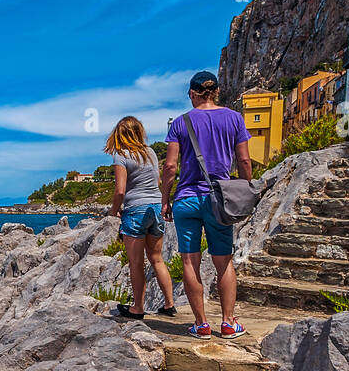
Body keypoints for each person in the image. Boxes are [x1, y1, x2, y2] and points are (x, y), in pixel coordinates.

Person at [161, 70, 252, 339]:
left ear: (192, 94)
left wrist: (165, 199)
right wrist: (246, 190)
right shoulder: (234, 119)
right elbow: (244, 161)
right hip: (219, 200)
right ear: (217, 92)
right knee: (223, 261)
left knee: (190, 261)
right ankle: (227, 323)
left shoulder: (180, 123)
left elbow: (169, 167)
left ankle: (200, 324)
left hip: (187, 199)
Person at [104, 115, 176, 320]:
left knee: (136, 263)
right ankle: (169, 305)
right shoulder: (151, 153)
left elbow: (120, 191)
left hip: (136, 209)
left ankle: (138, 308)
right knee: (157, 258)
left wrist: (114, 211)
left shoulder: (121, 155)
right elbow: (159, 181)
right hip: (155, 207)